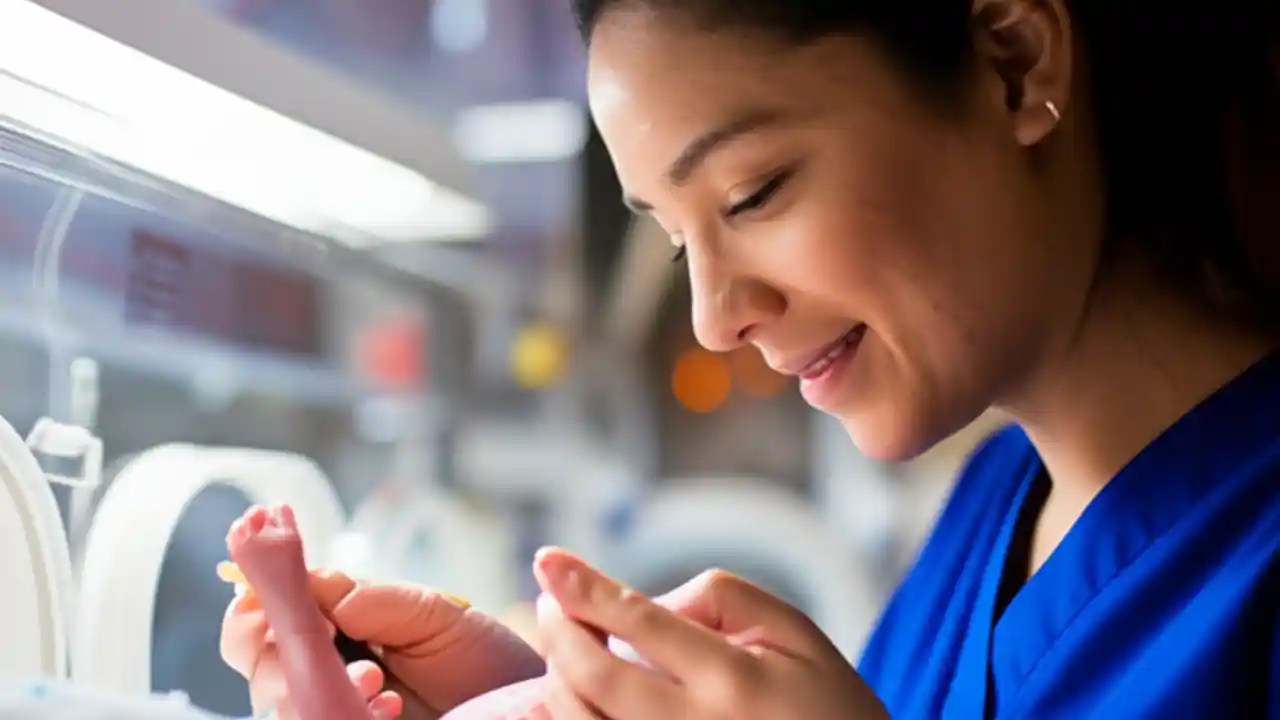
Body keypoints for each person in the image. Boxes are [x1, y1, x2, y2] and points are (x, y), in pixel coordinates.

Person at [223, 0, 1280, 717]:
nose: (714, 318)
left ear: (1009, 62)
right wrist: (549, 698)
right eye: (677, 237)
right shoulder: (991, 523)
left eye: (751, 195)